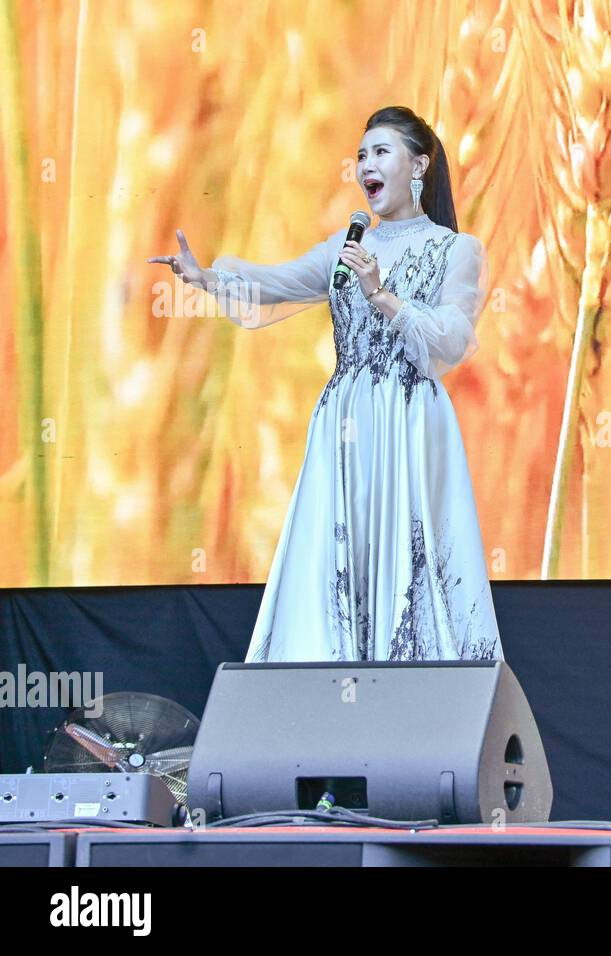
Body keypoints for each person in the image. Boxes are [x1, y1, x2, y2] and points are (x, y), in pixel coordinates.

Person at [149, 105, 502, 663]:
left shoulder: (455, 250)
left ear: (419, 166)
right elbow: (279, 281)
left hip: (407, 417)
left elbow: (452, 341)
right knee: (336, 559)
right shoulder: (349, 244)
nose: (366, 164)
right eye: (361, 155)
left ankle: (411, 689)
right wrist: (208, 277)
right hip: (345, 419)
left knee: (408, 562)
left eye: (381, 151)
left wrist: (383, 295)